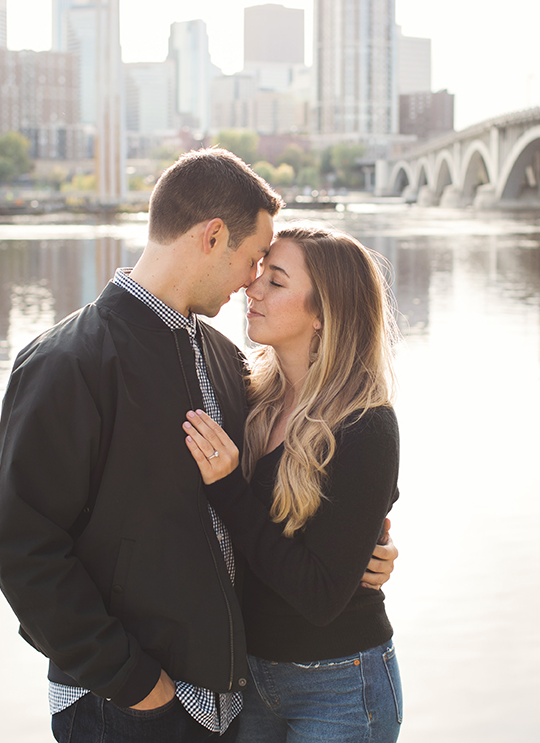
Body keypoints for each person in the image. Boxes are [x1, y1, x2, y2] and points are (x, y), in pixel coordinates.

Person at [0, 150, 397, 743]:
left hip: (224, 703)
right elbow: (19, 549)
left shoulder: (229, 362)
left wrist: (365, 547)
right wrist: (134, 683)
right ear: (212, 237)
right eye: (255, 259)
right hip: (123, 704)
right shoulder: (67, 362)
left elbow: (297, 486)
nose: (251, 280)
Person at [182, 225, 403, 743]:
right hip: (250, 679)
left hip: (341, 686)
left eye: (276, 282)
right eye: (260, 274)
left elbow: (321, 595)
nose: (252, 290)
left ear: (323, 312)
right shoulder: (246, 395)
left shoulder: (365, 425)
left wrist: (228, 489)